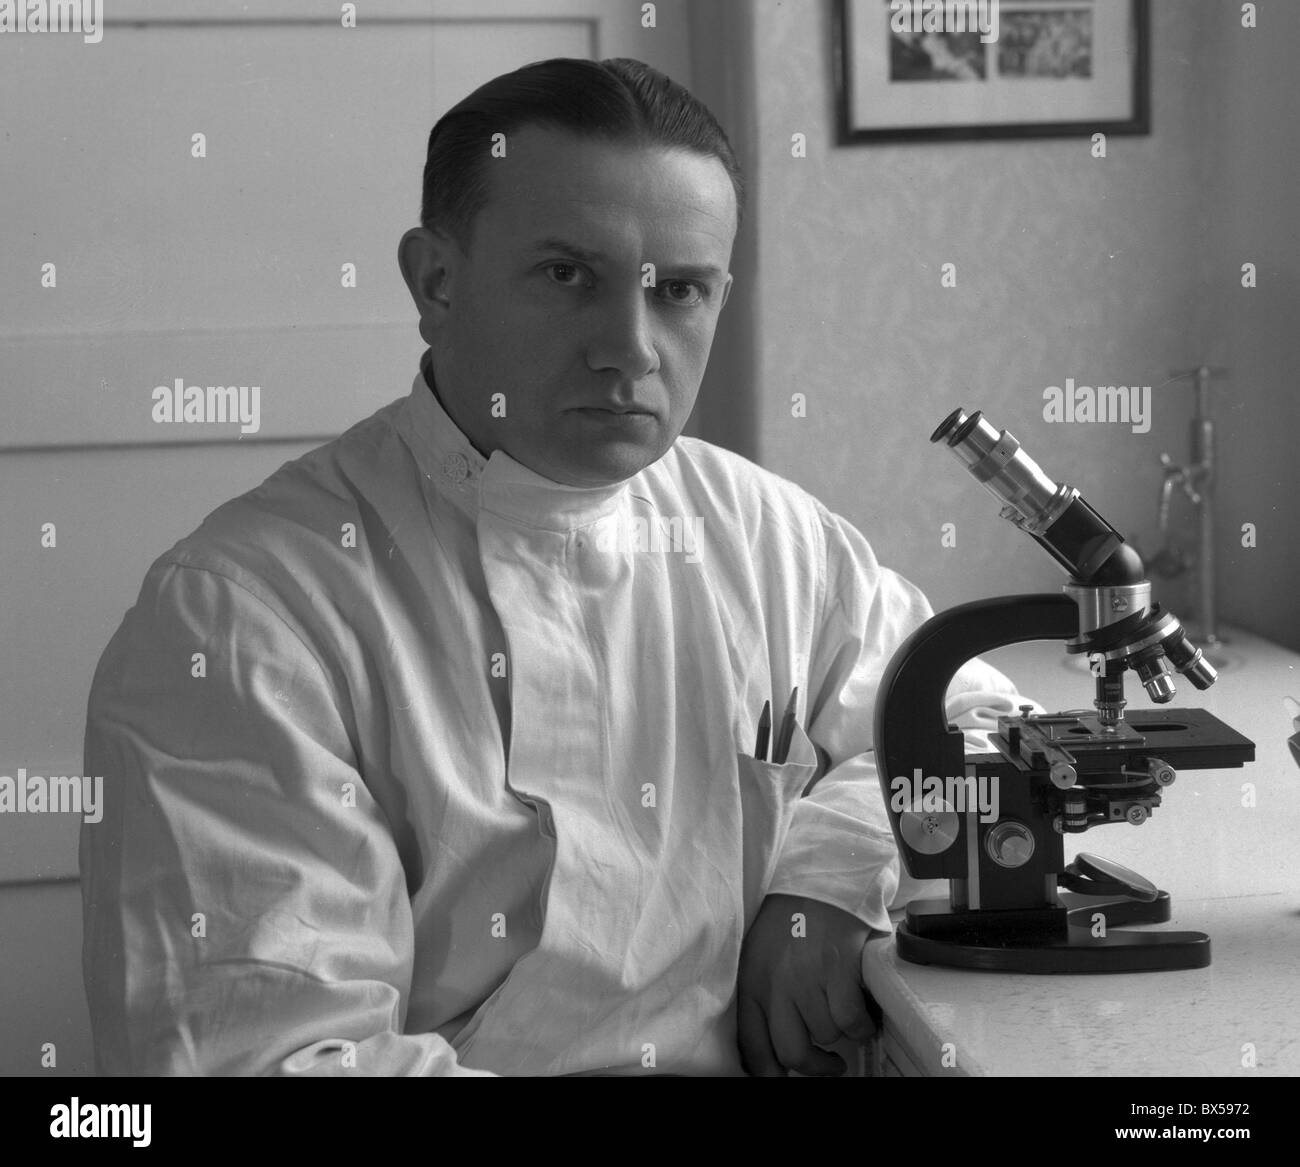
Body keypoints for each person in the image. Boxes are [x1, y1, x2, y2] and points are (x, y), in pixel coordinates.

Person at [80, 57, 1030, 1077]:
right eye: (566, 276)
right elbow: (266, 1059)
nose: (630, 349)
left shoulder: (763, 532)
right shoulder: (248, 617)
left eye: (678, 291)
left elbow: (969, 720)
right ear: (435, 282)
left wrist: (831, 875)